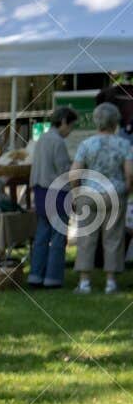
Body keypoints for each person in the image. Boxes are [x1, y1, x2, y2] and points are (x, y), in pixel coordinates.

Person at [70, 102, 133, 294]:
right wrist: (127, 189)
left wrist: (76, 193)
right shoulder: (124, 144)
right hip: (115, 193)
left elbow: (74, 173)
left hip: (89, 193)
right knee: (114, 238)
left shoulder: (86, 144)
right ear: (116, 122)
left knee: (86, 238)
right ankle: (110, 282)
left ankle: (84, 282)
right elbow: (130, 173)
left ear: (96, 121)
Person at [28, 106, 77, 287]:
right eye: (70, 126)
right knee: (58, 238)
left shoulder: (41, 139)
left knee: (41, 236)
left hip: (41, 192)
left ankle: (35, 275)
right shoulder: (58, 142)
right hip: (57, 193)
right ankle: (53, 278)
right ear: (63, 121)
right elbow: (64, 171)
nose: (70, 131)